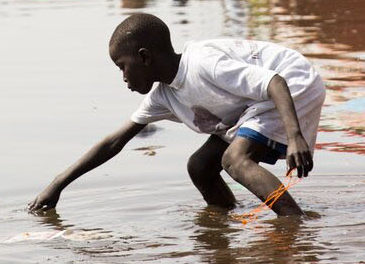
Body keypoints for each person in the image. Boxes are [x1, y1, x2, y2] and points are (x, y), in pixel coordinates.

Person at [28, 12, 326, 218]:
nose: (123, 77)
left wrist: (294, 135)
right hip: (252, 103)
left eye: (123, 66)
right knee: (200, 166)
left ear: (144, 57)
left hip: (292, 83)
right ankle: (226, 221)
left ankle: (294, 225)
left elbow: (274, 81)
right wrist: (58, 184)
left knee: (234, 159)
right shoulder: (164, 95)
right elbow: (113, 142)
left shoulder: (203, 65)